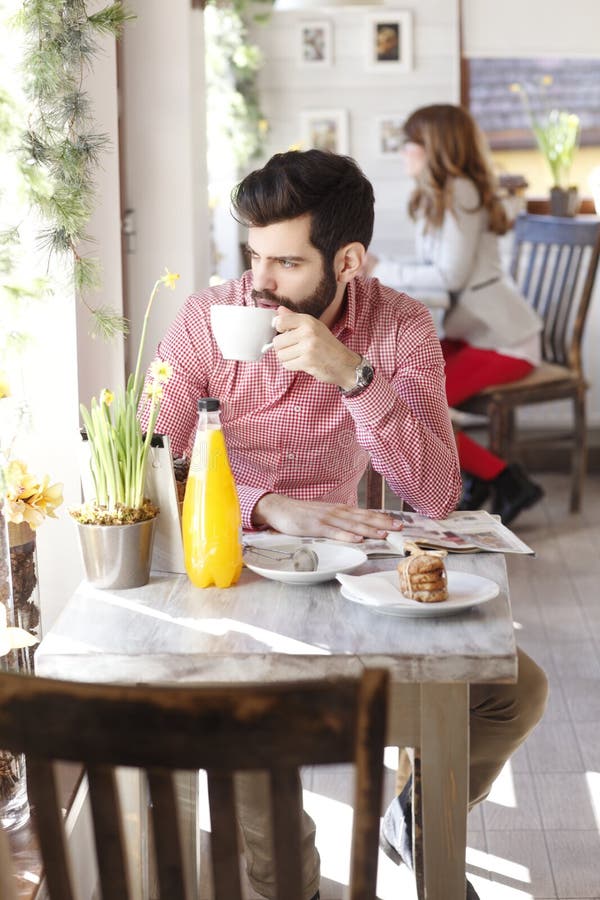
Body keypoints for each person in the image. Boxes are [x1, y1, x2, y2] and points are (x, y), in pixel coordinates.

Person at [142, 149, 547, 900]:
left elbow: (432, 494)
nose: (258, 283)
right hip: (232, 573)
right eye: (253, 256)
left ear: (349, 259)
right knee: (259, 751)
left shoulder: (399, 327)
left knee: (512, 694)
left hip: (347, 578)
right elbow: (149, 459)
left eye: (286, 263)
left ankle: (416, 821)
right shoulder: (208, 318)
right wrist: (263, 501)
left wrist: (355, 377)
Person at [398, 103, 545, 526]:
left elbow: (448, 275)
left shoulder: (461, 190)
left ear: (436, 147)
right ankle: (476, 479)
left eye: (412, 142)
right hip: (475, 332)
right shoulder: (441, 195)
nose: (404, 151)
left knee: (413, 405)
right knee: (400, 382)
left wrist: (378, 269)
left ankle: (507, 480)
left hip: (505, 340)